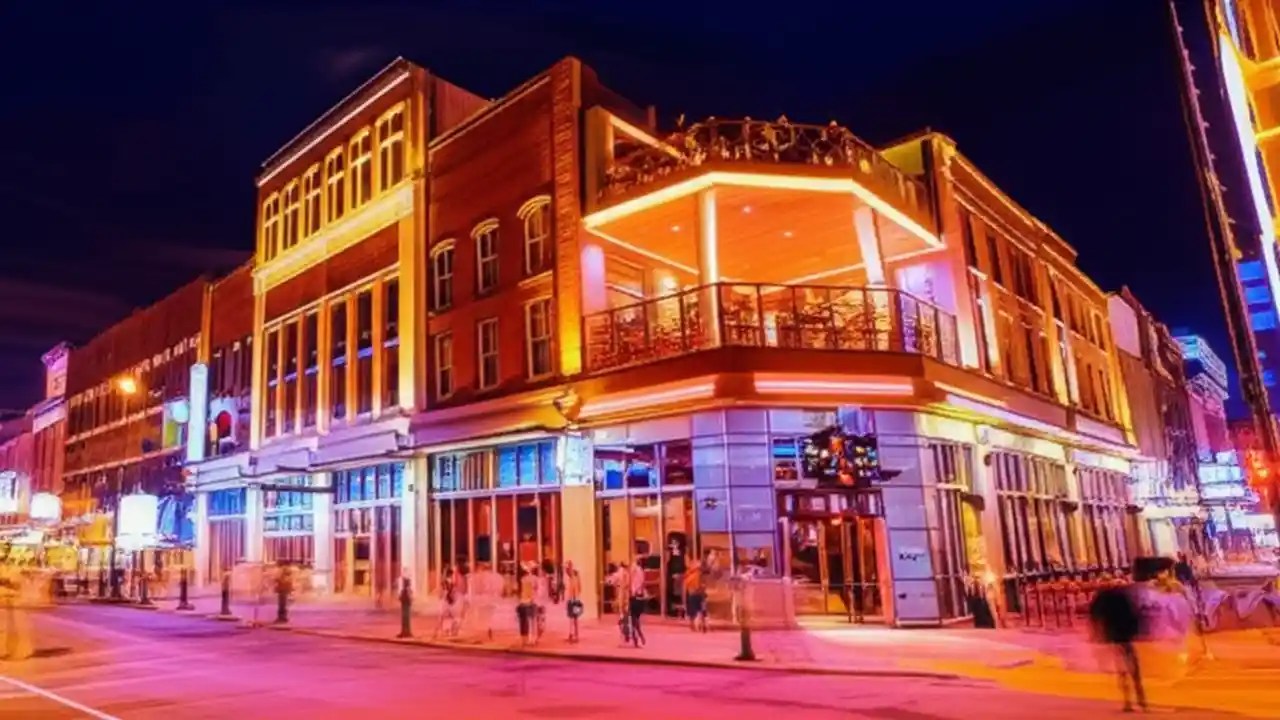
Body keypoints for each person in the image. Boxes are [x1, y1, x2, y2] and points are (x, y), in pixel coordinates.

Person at [1089, 582, 1147, 713]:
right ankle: (1140, 698)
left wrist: (1099, 634)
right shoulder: (1123, 596)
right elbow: (1135, 614)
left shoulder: (1103, 598)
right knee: (1132, 668)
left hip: (1115, 636)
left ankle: (1129, 701)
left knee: (1122, 669)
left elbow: (1095, 616)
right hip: (1125, 636)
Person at [628, 558, 648, 648]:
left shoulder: (636, 571)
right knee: (635, 620)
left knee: (633, 620)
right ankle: (638, 637)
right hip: (638, 597)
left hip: (634, 597)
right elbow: (641, 584)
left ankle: (637, 637)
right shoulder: (640, 572)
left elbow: (637, 584)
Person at [684, 561, 708, 632]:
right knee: (702, 610)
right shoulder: (697, 576)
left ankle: (695, 625)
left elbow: (686, 587)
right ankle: (702, 625)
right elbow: (700, 587)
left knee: (694, 612)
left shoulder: (689, 577)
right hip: (698, 595)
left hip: (694, 595)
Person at [564, 561, 583, 643]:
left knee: (575, 618)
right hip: (572, 600)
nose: (568, 571)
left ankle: (575, 635)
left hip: (575, 600)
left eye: (569, 568)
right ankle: (572, 634)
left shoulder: (574, 579)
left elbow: (578, 589)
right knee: (572, 618)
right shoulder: (570, 579)